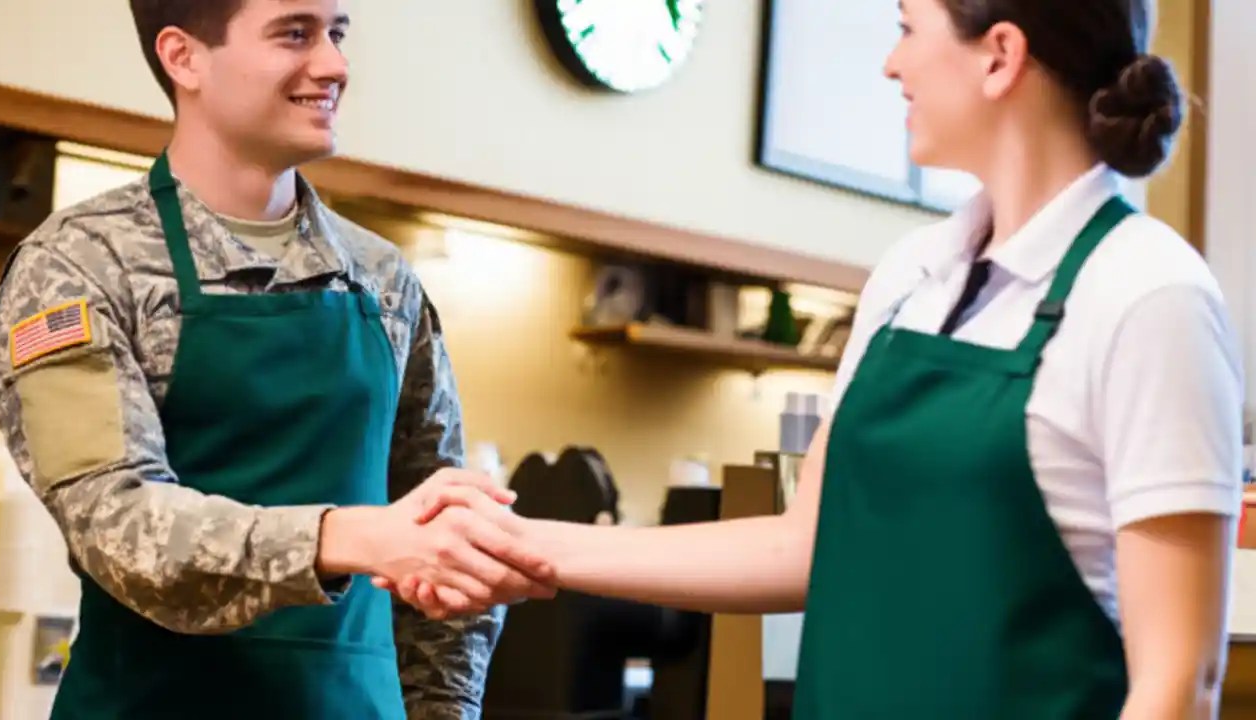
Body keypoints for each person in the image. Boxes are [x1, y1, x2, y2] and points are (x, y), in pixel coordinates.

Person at [389, 0, 1245, 717]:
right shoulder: (915, 275)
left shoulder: (1148, 295)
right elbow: (805, 546)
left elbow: (1178, 682)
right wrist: (527, 544)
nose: (890, 64)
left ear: (999, 57)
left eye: (908, 27)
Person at [0, 1, 554, 718]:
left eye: (337, 34)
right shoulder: (81, 265)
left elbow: (446, 546)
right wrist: (349, 536)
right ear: (183, 56)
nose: (335, 65)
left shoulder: (381, 281)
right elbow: (121, 529)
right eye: (295, 33)